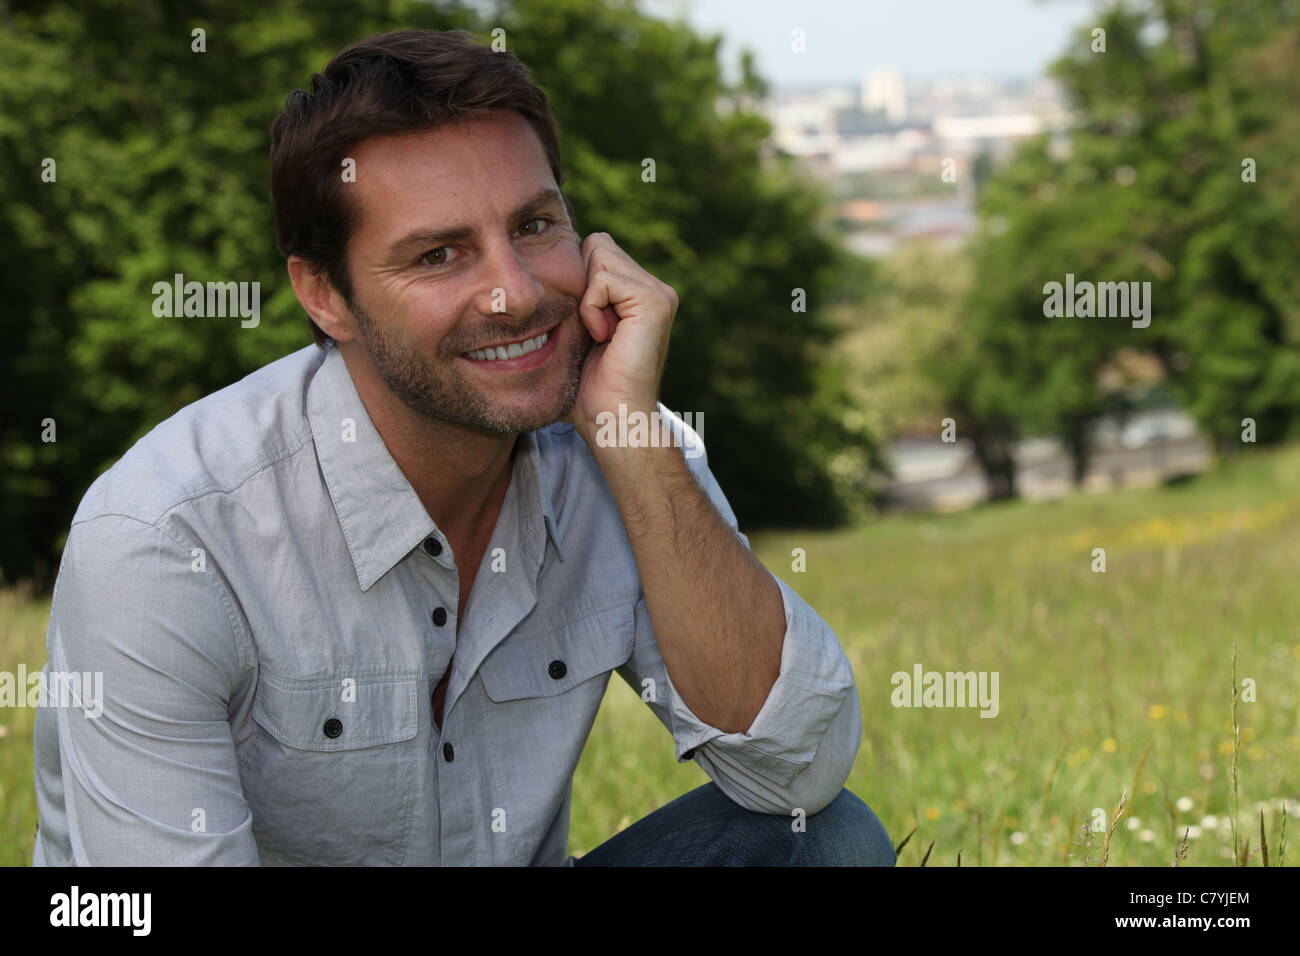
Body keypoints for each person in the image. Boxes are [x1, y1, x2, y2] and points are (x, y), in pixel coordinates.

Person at [31, 28, 895, 866]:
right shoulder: (163, 540)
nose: (512, 295)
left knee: (820, 842)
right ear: (325, 296)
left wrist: (631, 439)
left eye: (533, 226)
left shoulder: (622, 445)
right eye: (439, 255)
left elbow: (797, 772)